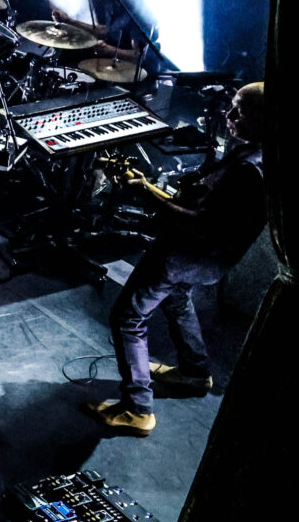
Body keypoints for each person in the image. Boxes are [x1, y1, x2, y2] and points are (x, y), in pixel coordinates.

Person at [88, 81, 267, 435]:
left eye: (239, 113)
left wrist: (147, 196)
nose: (229, 116)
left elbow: (202, 227)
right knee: (177, 297)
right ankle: (194, 372)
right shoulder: (257, 153)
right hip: (212, 261)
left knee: (128, 317)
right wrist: (154, 188)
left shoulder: (249, 170)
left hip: (187, 254)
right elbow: (210, 203)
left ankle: (138, 409)